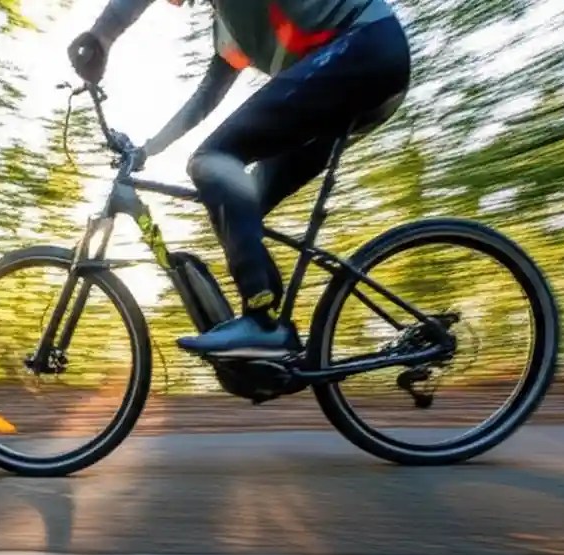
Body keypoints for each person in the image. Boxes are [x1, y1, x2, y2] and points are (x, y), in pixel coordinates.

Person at [68, 0, 411, 356]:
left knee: (211, 160)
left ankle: (261, 320)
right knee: (240, 202)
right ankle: (272, 339)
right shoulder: (228, 31)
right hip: (352, 79)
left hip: (363, 46)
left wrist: (102, 34)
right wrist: (147, 149)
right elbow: (205, 98)